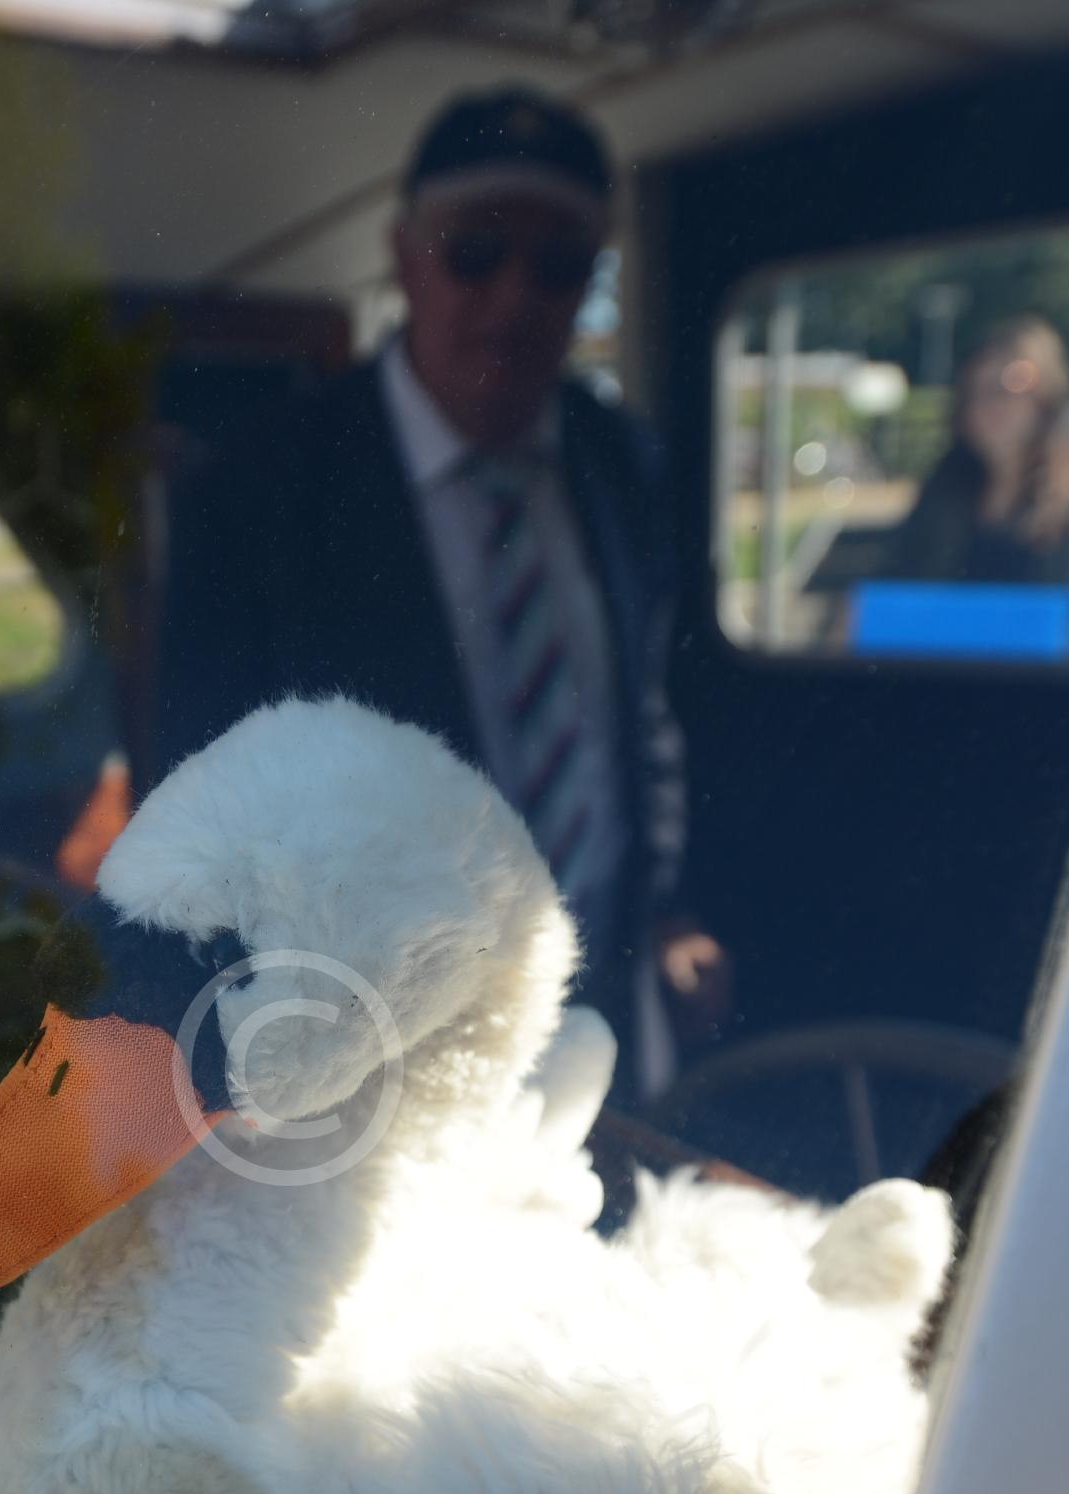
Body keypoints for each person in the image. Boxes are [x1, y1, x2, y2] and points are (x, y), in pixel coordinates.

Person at [153, 87, 717, 1084]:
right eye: (474, 252)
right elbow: (201, 815)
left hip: (605, 1005)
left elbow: (644, 720)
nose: (512, 297)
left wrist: (670, 904)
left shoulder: (622, 461)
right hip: (379, 1045)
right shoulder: (258, 494)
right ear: (406, 257)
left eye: (553, 266)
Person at [868, 315, 1069, 656]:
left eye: (1009, 386)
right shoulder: (941, 495)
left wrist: (1033, 638)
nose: (990, 405)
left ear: (1046, 395)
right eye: (975, 390)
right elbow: (894, 589)